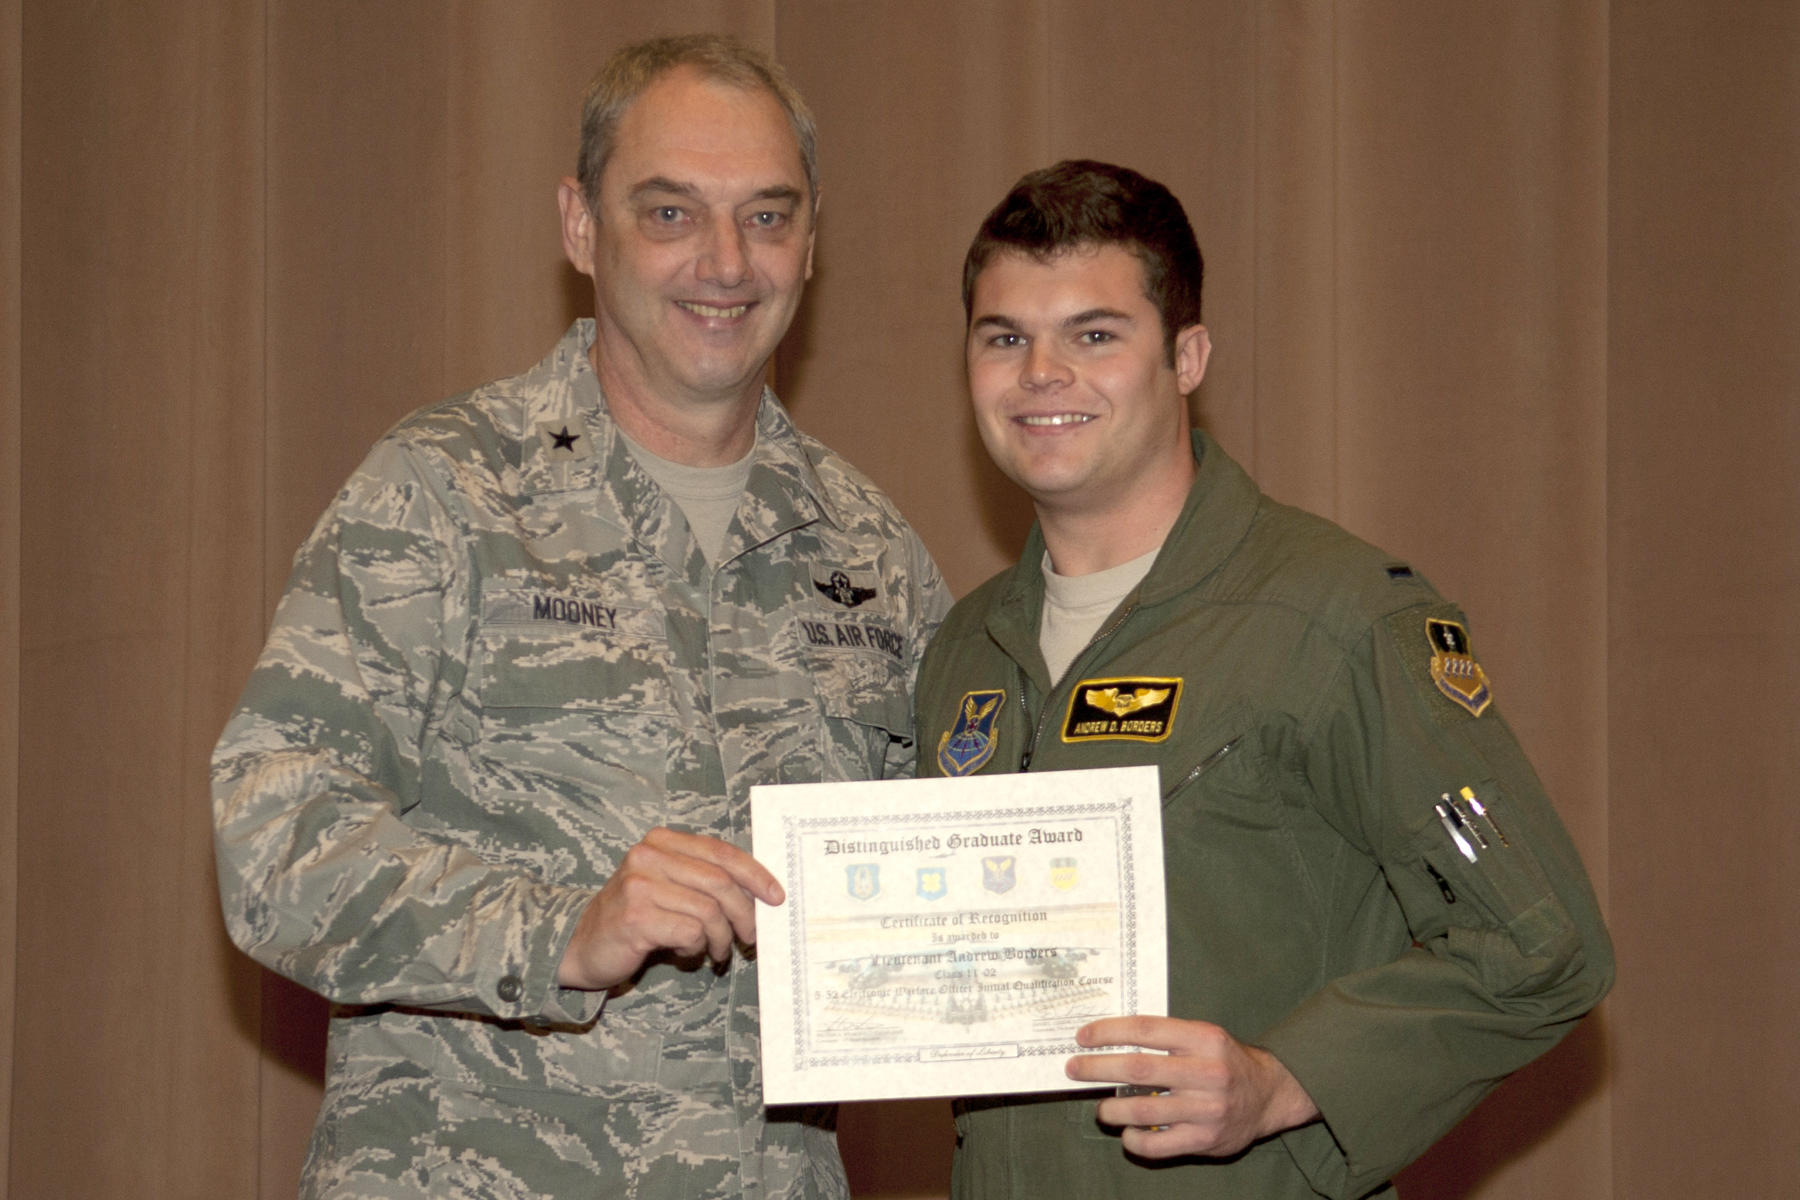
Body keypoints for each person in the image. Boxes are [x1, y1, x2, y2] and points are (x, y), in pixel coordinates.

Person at [213, 35, 949, 1200]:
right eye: (670, 213)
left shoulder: (876, 557)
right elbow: (271, 841)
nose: (725, 262)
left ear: (813, 241)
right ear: (578, 225)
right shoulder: (443, 494)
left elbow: (952, 899)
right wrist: (560, 929)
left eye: (767, 215)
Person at [914, 161, 1612, 1199]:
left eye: (1095, 334)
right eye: (1003, 337)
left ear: (1187, 356)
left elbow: (1542, 946)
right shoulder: (965, 648)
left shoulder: (1338, 620)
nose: (1041, 373)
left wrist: (1286, 1081)